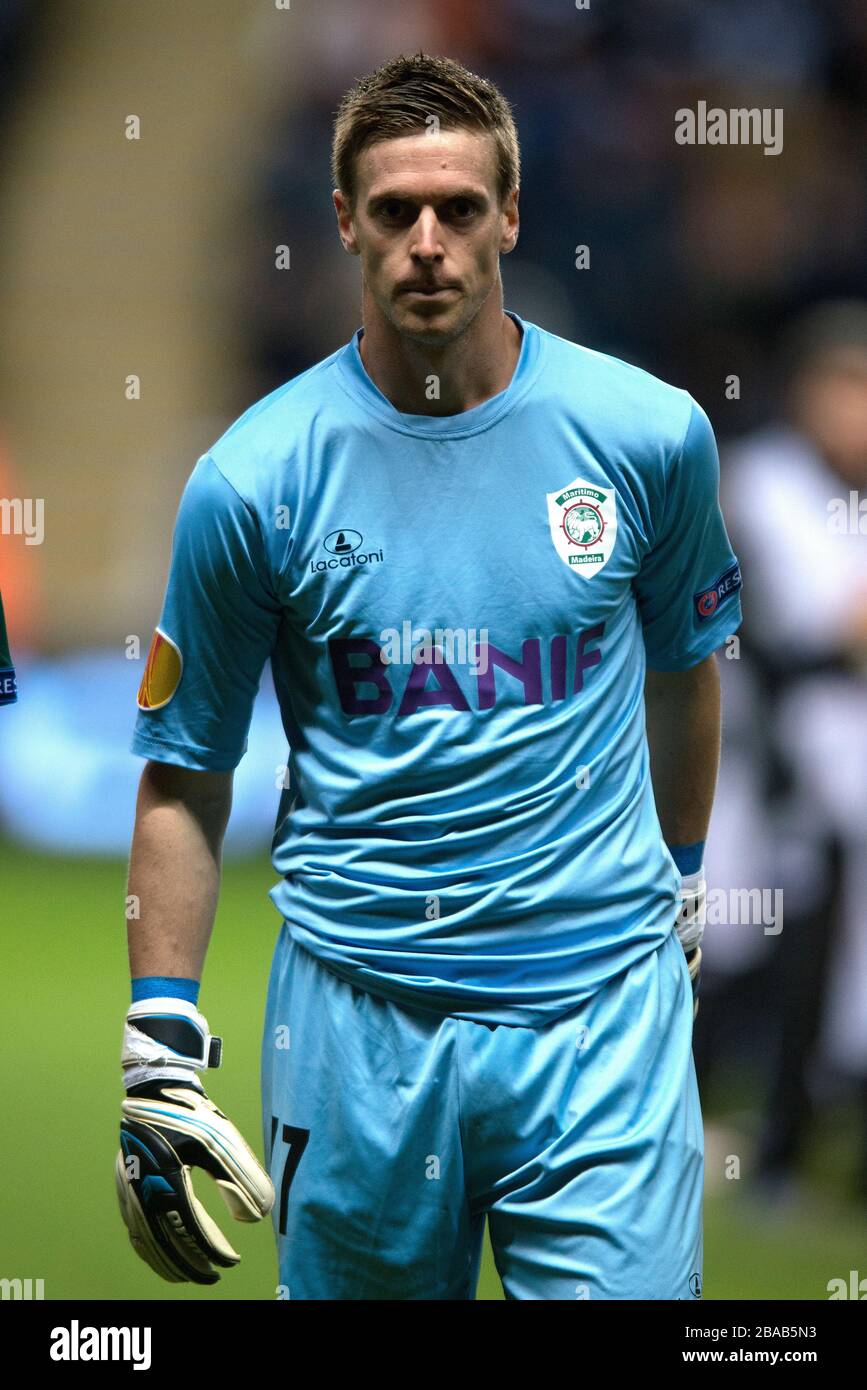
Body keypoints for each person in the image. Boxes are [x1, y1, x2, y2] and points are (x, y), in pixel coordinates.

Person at [116, 52, 742, 1300]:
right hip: (356, 1024)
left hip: (600, 1012)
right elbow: (187, 770)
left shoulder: (649, 434)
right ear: (343, 219)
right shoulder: (254, 478)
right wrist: (159, 1048)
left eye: (459, 207)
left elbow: (685, 669)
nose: (427, 241)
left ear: (510, 214)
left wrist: (680, 878)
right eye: (394, 209)